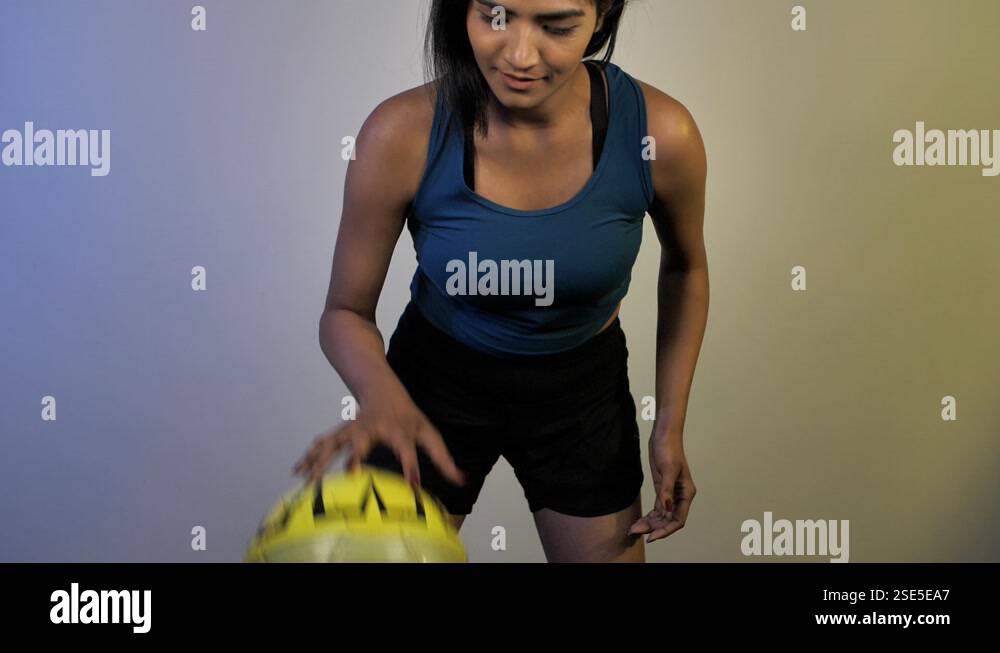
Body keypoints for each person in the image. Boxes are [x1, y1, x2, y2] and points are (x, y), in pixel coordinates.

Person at [293, 0, 708, 562]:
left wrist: (669, 427)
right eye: (495, 15)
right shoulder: (401, 132)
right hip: (432, 388)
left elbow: (686, 268)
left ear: (602, 15)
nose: (518, 54)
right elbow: (344, 313)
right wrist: (382, 398)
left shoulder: (661, 133)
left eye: (557, 26)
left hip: (581, 393)